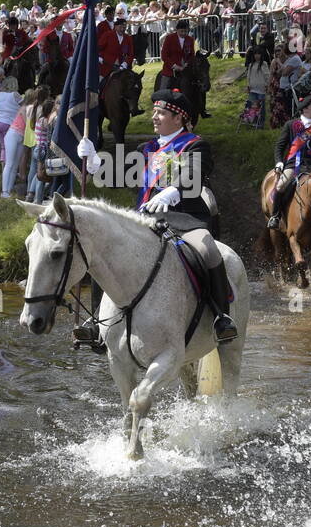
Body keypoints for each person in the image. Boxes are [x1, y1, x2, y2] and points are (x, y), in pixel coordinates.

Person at [73, 89, 237, 345]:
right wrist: (93, 160)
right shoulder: (147, 148)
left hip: (185, 217)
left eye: (161, 112)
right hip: (146, 219)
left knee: (209, 252)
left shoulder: (195, 144)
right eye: (154, 112)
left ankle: (220, 318)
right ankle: (98, 322)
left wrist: (170, 193)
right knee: (104, 251)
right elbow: (118, 174)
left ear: (179, 117)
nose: (155, 117)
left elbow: (193, 172)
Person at [267, 95, 311, 229]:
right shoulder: (291, 125)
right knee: (280, 186)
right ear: (305, 109)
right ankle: (275, 216)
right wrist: (279, 162)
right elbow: (280, 146)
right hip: (294, 164)